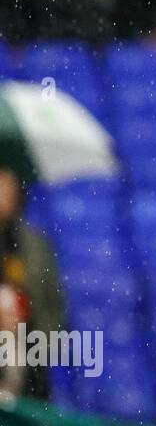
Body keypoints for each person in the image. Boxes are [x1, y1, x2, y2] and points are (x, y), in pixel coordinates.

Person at [0, 168, 65, 400]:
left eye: (9, 186)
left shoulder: (36, 245)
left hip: (30, 361)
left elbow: (53, 303)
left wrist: (40, 349)